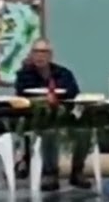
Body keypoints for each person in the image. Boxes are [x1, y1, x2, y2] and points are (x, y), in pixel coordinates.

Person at [12, 39, 90, 191]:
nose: (40, 56)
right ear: (31, 55)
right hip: (36, 118)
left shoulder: (63, 74)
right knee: (49, 130)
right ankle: (50, 173)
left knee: (84, 131)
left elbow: (74, 95)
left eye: (44, 52)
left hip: (65, 114)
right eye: (36, 52)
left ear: (50, 55)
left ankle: (77, 171)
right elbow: (21, 97)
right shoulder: (24, 75)